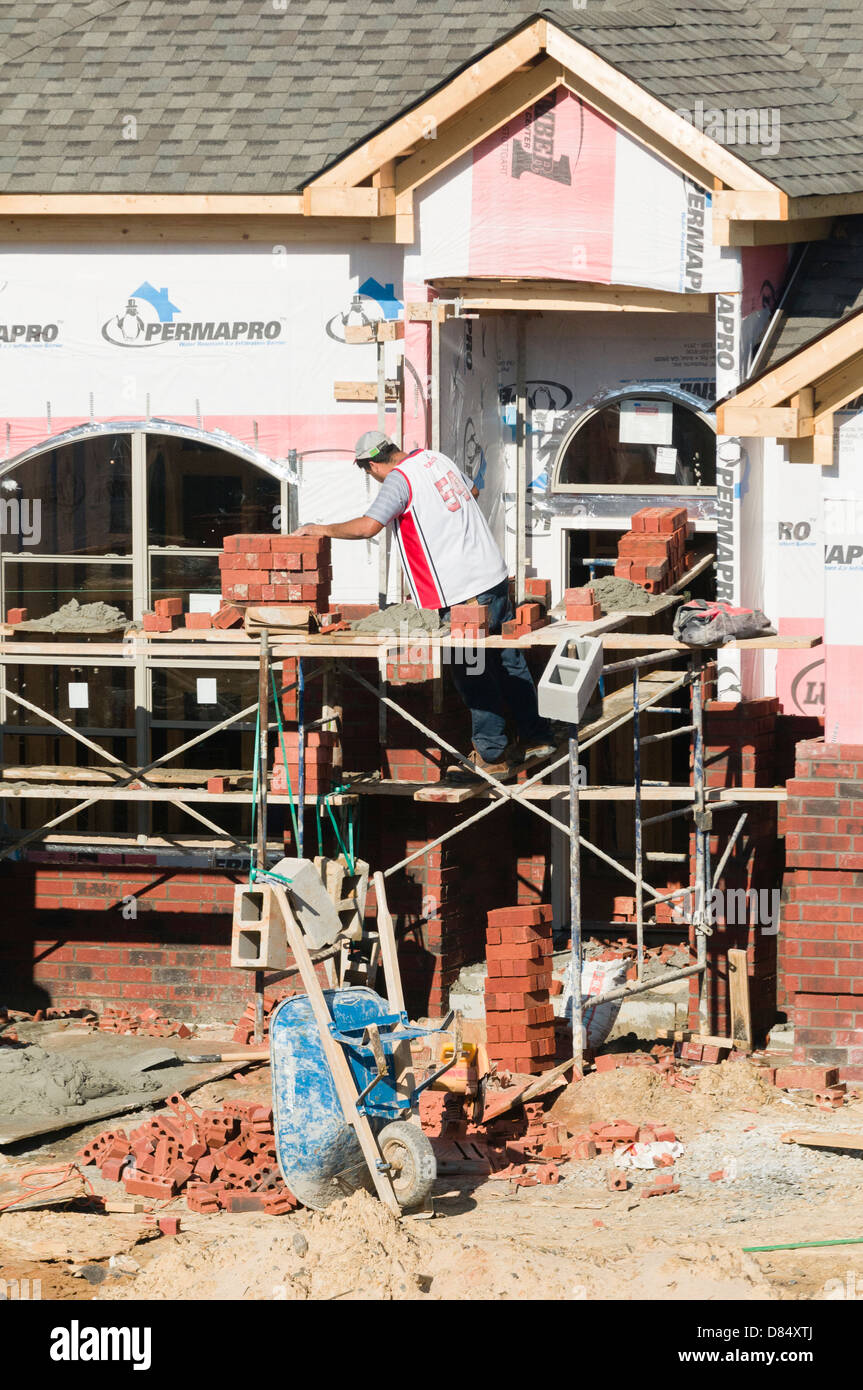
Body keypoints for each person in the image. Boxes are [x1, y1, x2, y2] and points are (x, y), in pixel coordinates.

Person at [294, 430, 554, 779]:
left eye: (368, 472)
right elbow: (472, 492)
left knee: (472, 669)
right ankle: (537, 736)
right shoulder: (434, 458)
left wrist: (320, 529)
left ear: (372, 464)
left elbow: (368, 527)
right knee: (508, 659)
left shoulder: (399, 481)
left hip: (464, 592)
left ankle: (492, 754)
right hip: (493, 576)